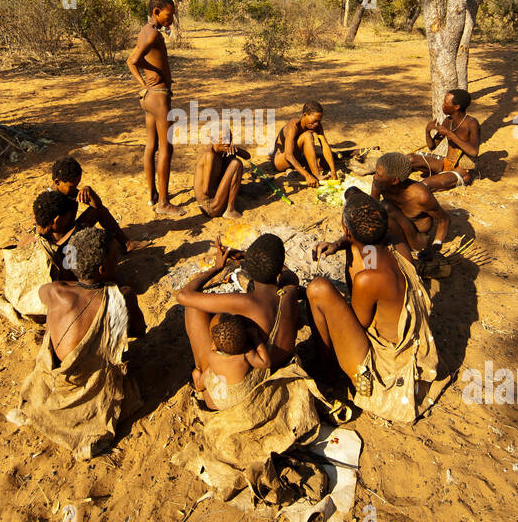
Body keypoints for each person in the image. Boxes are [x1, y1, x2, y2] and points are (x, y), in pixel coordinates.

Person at [306, 189, 440, 424]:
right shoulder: (394, 240)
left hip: (387, 369)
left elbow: (358, 325)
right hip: (412, 349)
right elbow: (363, 235)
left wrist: (332, 304)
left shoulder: (367, 280)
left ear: (347, 229)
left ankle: (326, 376)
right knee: (358, 255)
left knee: (317, 289)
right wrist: (339, 244)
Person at [13, 227, 147, 459]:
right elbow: (139, 332)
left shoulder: (54, 290)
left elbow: (43, 294)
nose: (119, 260)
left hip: (52, 380)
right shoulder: (119, 296)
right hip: (87, 384)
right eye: (116, 257)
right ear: (104, 269)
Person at [176, 233, 301, 378]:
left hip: (252, 385)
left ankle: (201, 375)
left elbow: (184, 296)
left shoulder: (246, 303)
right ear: (279, 267)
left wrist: (217, 268)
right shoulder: (290, 287)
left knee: (193, 307)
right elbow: (286, 271)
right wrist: (245, 255)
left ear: (248, 266)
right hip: (281, 373)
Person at [126, 0, 183, 215]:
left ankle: (152, 195)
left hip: (150, 98)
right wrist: (147, 83)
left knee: (151, 146)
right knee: (166, 148)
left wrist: (147, 84)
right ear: (157, 12)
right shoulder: (152, 36)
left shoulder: (146, 31)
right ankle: (163, 203)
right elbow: (132, 61)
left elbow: (136, 59)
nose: (172, 19)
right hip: (158, 97)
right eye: (169, 15)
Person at [50, 156, 141, 251]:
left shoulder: (68, 191)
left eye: (77, 184)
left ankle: (127, 244)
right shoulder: (49, 201)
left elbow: (98, 206)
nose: (75, 188)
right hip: (62, 246)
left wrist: (89, 191)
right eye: (72, 186)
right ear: (57, 182)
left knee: (99, 211)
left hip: (71, 234)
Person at [191, 313, 271, 411]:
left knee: (210, 371)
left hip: (220, 401)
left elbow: (212, 364)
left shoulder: (212, 356)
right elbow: (265, 363)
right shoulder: (246, 354)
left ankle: (198, 384)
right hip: (241, 397)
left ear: (214, 346)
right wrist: (255, 338)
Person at [371, 151, 450, 250]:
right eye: (375, 173)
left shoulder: (421, 196)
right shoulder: (379, 183)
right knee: (353, 193)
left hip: (416, 240)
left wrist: (437, 243)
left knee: (386, 207)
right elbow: (373, 207)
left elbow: (444, 219)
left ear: (394, 181)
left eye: (379, 175)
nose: (374, 176)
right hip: (394, 229)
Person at [409, 89, 481, 191]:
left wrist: (449, 134)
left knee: (425, 184)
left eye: (446, 103)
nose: (443, 105)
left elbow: (474, 152)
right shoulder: (448, 121)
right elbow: (432, 146)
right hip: (446, 163)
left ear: (457, 107)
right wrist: (427, 132)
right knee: (409, 159)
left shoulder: (471, 123)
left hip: (461, 170)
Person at [271, 101, 339, 187]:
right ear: (305, 115)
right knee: (307, 136)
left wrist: (333, 171)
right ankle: (316, 175)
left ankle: (309, 172)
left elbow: (325, 146)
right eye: (314, 121)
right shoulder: (294, 126)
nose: (316, 124)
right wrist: (307, 175)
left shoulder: (317, 126)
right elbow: (288, 155)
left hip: (297, 158)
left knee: (323, 162)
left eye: (319, 121)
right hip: (279, 161)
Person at [193, 130, 250, 219]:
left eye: (229, 138)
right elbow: (206, 191)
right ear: (213, 139)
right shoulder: (210, 156)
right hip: (211, 207)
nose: (227, 143)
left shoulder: (220, 149)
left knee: (231, 156)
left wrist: (236, 150)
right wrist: (227, 190)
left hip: (215, 200)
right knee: (236, 164)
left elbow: (247, 156)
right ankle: (230, 209)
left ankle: (229, 199)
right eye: (223, 139)